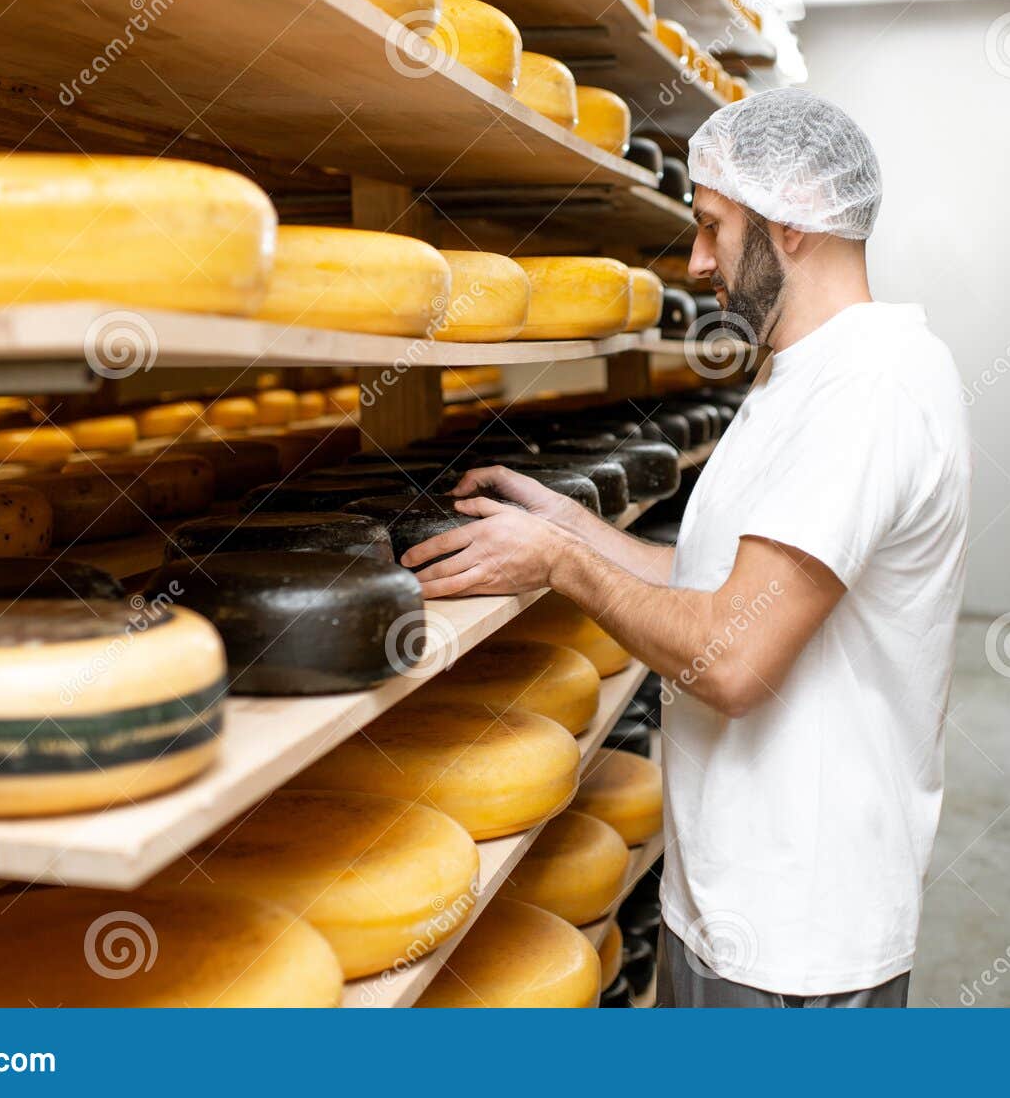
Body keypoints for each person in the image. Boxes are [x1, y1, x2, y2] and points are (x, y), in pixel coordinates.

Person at [402, 89, 971, 1008]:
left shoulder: (871, 389)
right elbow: (717, 587)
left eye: (712, 227)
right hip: (723, 898)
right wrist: (567, 524)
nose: (698, 260)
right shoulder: (800, 374)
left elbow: (732, 654)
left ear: (791, 222)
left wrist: (562, 566)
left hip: (797, 938)